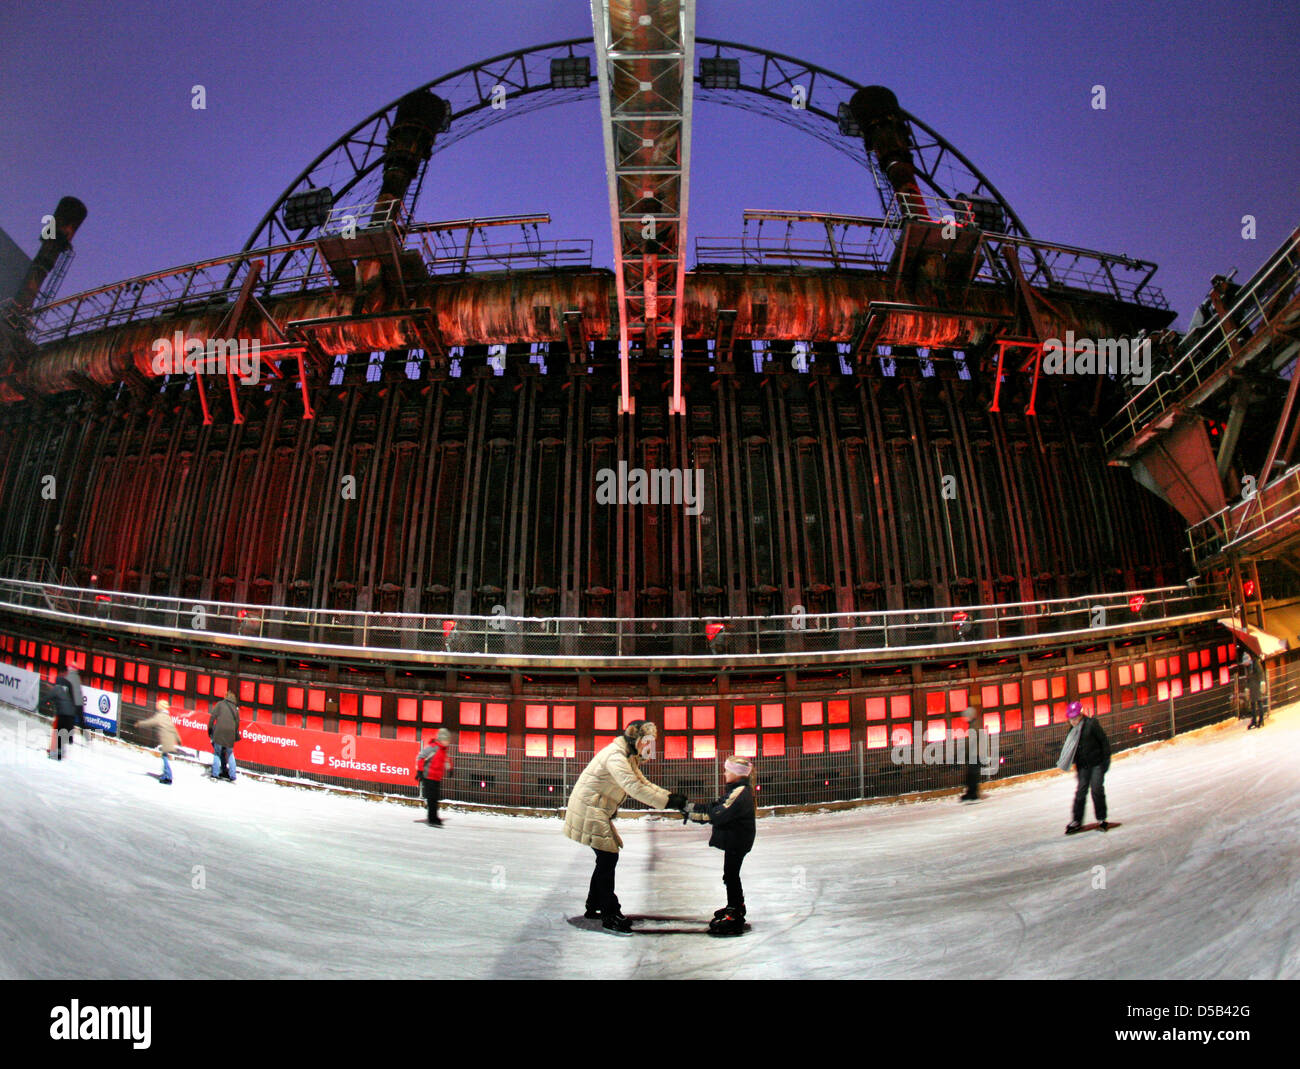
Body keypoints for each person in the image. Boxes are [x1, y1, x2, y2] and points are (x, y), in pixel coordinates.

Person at [563, 720, 685, 932]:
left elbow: (643, 783)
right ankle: (610, 914)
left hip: (595, 808)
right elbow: (635, 788)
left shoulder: (627, 757)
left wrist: (671, 798)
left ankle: (595, 905)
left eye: (651, 742)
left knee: (605, 857)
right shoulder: (616, 756)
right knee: (608, 856)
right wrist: (669, 803)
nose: (648, 746)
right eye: (646, 741)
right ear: (634, 739)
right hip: (589, 808)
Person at [686, 755, 756, 935]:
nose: (724, 773)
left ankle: (735, 912)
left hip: (737, 841)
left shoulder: (739, 793)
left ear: (737, 773)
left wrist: (689, 812)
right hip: (736, 840)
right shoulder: (736, 790)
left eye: (727, 770)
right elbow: (714, 807)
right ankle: (735, 906)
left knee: (731, 875)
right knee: (730, 875)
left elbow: (717, 814)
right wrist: (690, 808)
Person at [1064, 700, 1111, 834]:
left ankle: (1101, 818)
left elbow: (1104, 742)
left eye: (1075, 718)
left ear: (1081, 715)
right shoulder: (1072, 731)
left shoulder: (1092, 724)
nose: (1073, 721)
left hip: (1097, 764)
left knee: (1096, 790)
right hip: (1083, 767)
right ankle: (1076, 820)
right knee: (1080, 793)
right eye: (1070, 718)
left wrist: (1105, 761)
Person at [415, 728, 454, 825]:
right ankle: (432, 818)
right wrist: (419, 771)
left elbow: (446, 760)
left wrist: (450, 769)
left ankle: (434, 817)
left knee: (435, 798)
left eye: (448, 740)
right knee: (431, 798)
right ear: (441, 739)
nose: (448, 742)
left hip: (436, 777)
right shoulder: (433, 748)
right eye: (446, 740)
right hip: (428, 777)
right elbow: (420, 757)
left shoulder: (443, 750)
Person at [138, 698, 181, 784]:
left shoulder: (160, 716)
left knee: (165, 757)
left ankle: (168, 776)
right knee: (164, 756)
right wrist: (178, 739)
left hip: (165, 740)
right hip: (169, 739)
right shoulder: (167, 716)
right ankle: (167, 774)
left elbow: (151, 722)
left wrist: (140, 724)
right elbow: (173, 728)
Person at [208, 682, 241, 781]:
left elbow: (212, 717)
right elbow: (237, 723)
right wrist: (234, 733)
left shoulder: (220, 704)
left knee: (217, 753)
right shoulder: (235, 709)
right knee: (230, 754)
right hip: (230, 734)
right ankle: (232, 775)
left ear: (226, 696)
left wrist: (209, 729)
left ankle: (215, 774)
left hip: (219, 732)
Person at [957, 695, 982, 802]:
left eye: (966, 716)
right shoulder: (973, 725)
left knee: (972, 775)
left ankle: (973, 794)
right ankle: (971, 793)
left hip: (976, 755)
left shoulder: (975, 726)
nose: (964, 719)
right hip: (974, 754)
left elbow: (974, 742)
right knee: (971, 775)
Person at [48, 674, 78, 760]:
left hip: (61, 714)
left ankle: (55, 752)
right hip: (66, 715)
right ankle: (59, 752)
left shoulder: (60, 688)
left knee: (57, 732)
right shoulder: (68, 688)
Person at [1246, 653, 1268, 729]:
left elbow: (1261, 673)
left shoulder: (1255, 663)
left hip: (1257, 686)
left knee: (1259, 703)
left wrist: (1262, 682)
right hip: (1252, 687)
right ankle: (1254, 721)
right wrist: (1247, 687)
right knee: (1252, 705)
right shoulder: (1248, 666)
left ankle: (1261, 720)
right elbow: (1248, 678)